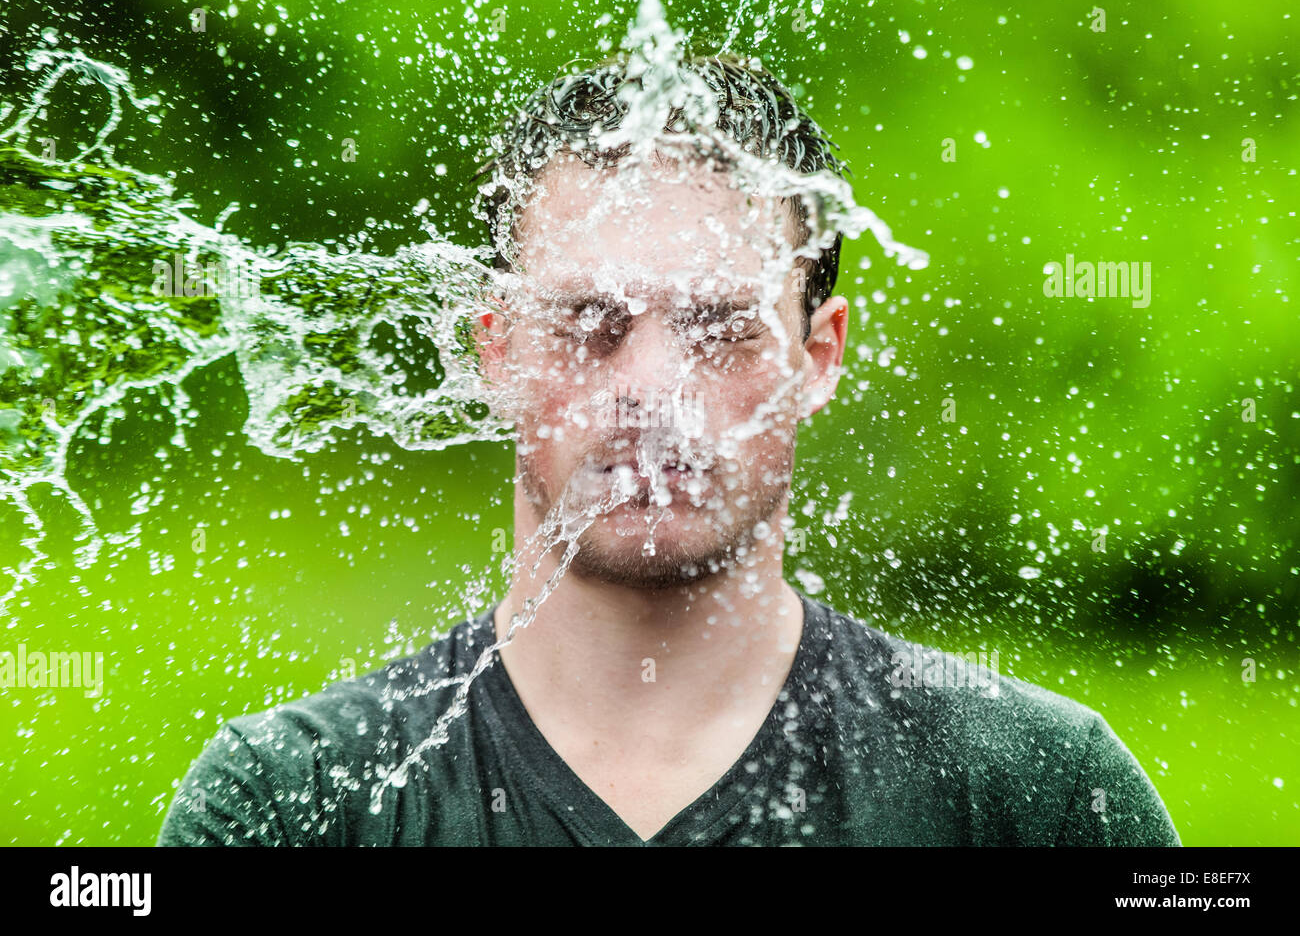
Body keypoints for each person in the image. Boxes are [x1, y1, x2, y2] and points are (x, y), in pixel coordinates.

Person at [157, 53, 1180, 846]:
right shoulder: (294, 803)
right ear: (497, 352)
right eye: (588, 322)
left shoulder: (1028, 794)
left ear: (817, 356)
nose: (652, 391)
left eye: (722, 326)